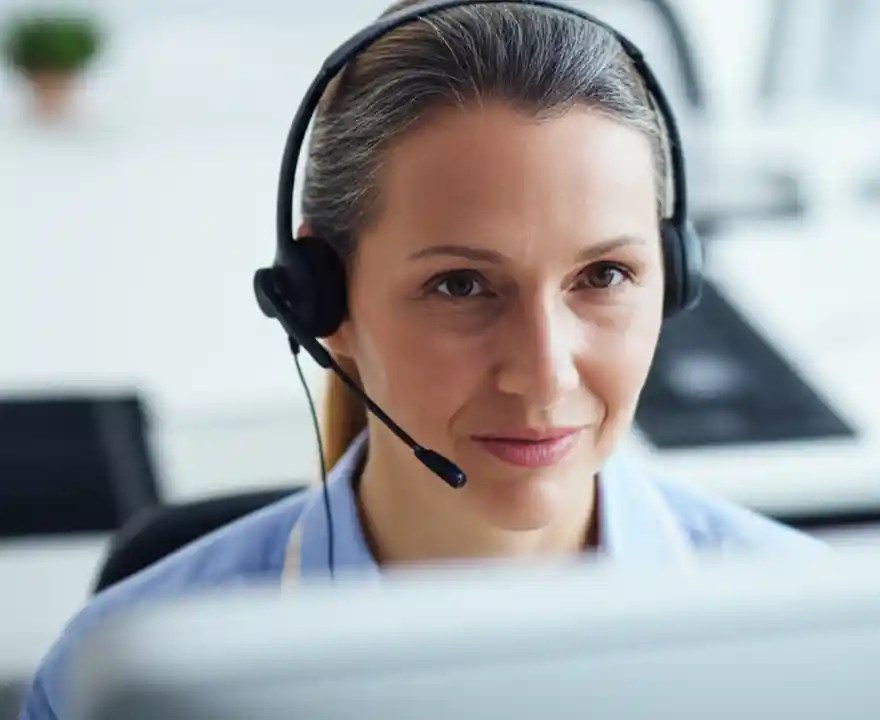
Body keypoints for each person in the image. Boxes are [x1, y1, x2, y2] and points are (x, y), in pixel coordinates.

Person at [20, 2, 821, 717]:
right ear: (323, 303)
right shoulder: (124, 677)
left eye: (604, 275)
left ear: (672, 275)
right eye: (462, 284)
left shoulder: (814, 632)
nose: (544, 374)